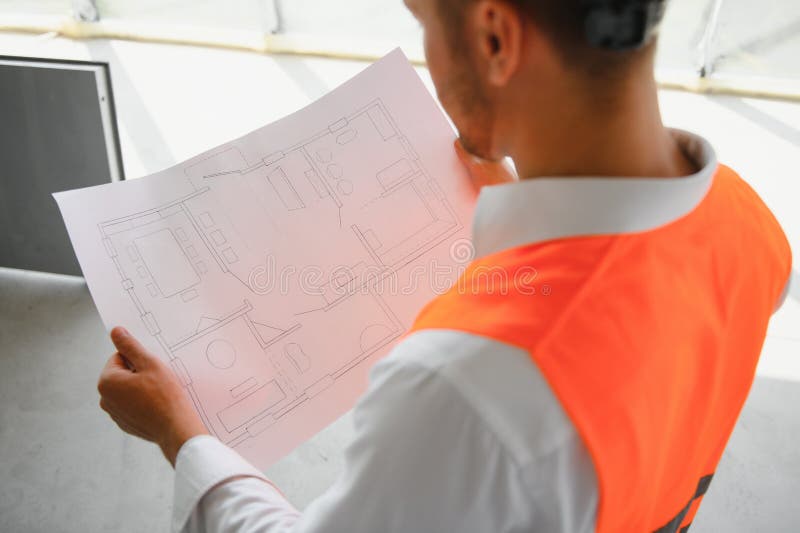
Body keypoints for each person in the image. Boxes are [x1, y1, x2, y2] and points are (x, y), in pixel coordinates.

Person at [96, 0, 793, 531]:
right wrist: (524, 215)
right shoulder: (753, 224)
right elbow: (634, 326)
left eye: (426, 23)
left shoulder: (461, 389)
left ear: (494, 38)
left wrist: (181, 433)